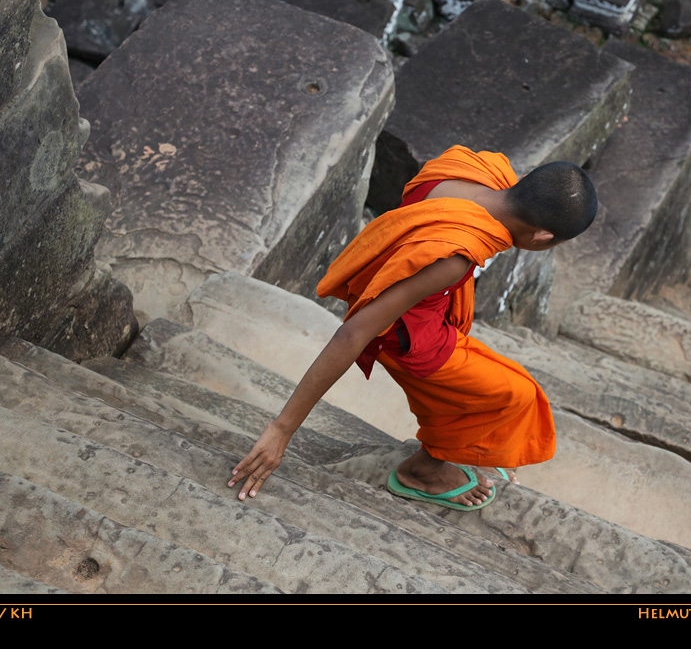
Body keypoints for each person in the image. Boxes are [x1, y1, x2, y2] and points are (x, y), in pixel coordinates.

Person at [228, 145, 597, 510]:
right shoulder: (454, 257)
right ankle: (423, 472)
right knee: (517, 396)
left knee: (486, 376)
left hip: (423, 294)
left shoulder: (467, 169)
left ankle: (460, 442)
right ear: (542, 238)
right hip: (409, 336)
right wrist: (281, 430)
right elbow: (354, 333)